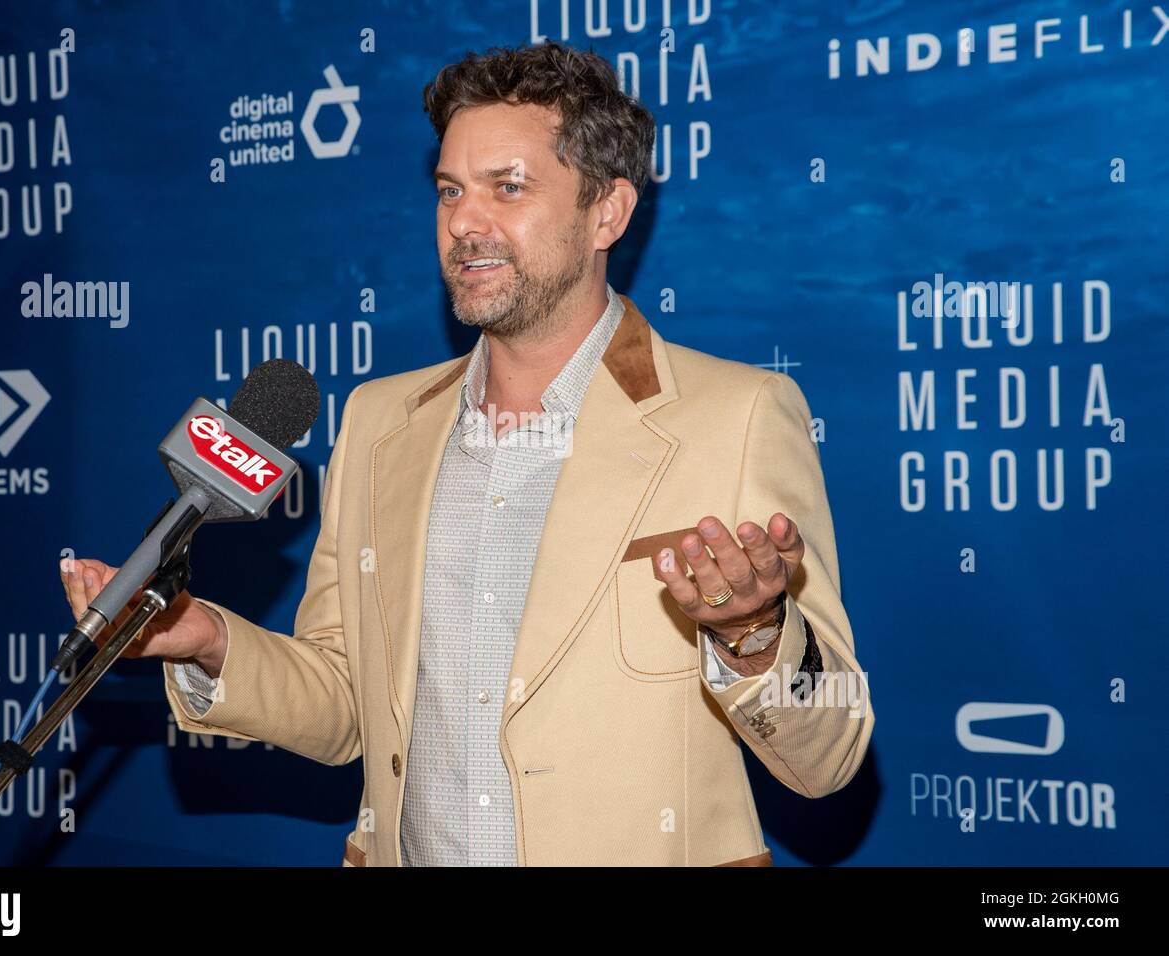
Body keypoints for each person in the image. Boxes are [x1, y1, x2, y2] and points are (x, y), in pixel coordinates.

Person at [61, 40, 873, 866]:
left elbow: (831, 752)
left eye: (508, 188)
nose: (464, 222)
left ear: (608, 212)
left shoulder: (736, 416)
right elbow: (349, 702)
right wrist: (208, 641)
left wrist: (755, 634)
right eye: (450, 190)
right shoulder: (379, 423)